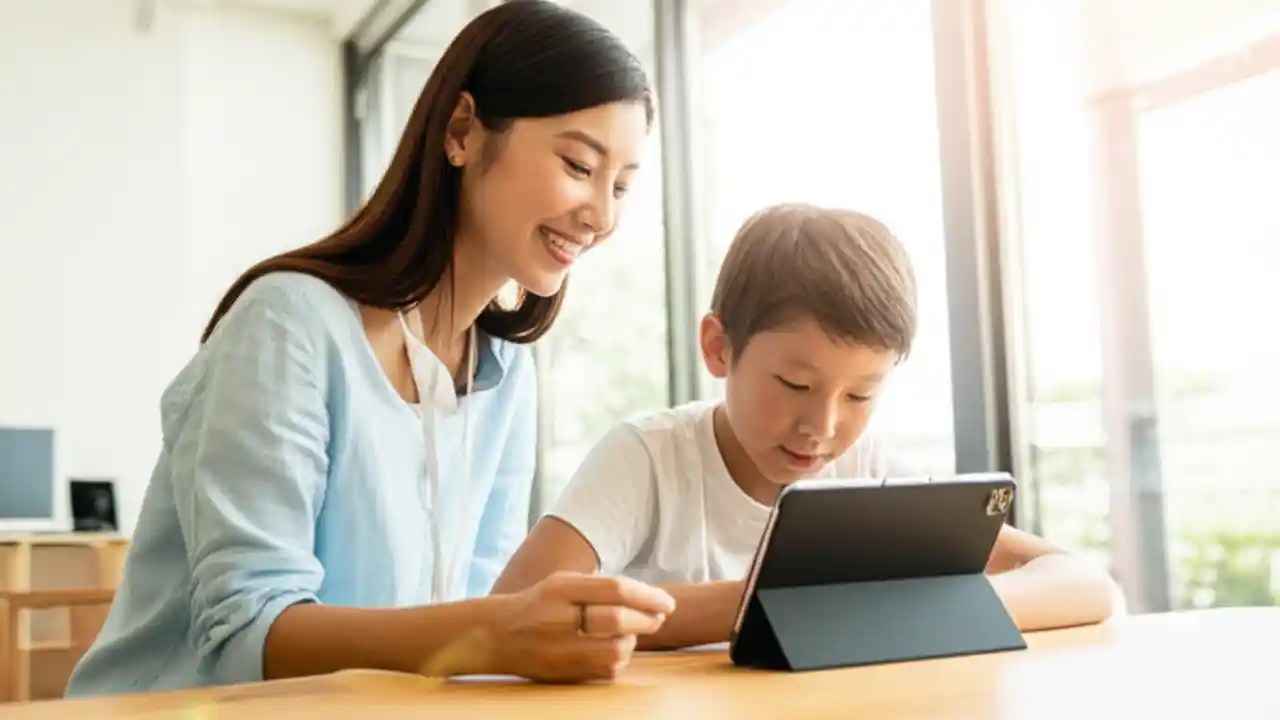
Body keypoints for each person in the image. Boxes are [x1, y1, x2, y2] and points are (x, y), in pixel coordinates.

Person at [66, 0, 676, 697]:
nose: (601, 214)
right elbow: (245, 637)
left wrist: (519, 636)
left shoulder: (505, 374)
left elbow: (471, 626)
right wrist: (494, 631)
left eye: (622, 185)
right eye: (578, 164)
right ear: (462, 130)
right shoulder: (289, 325)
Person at [494, 204, 1117, 650]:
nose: (821, 426)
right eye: (794, 385)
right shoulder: (650, 458)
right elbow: (510, 612)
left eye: (860, 394)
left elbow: (1087, 587)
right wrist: (780, 602)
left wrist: (919, 602)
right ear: (719, 348)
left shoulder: (865, 471)